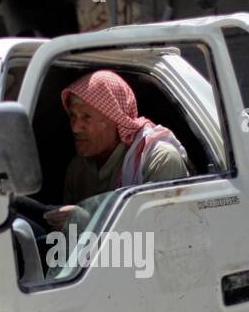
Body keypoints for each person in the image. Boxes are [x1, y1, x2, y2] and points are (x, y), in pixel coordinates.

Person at [43, 70, 190, 230]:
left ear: (116, 118)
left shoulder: (159, 159)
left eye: (86, 117)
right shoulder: (77, 168)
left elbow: (163, 234)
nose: (76, 128)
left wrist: (87, 222)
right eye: (72, 116)